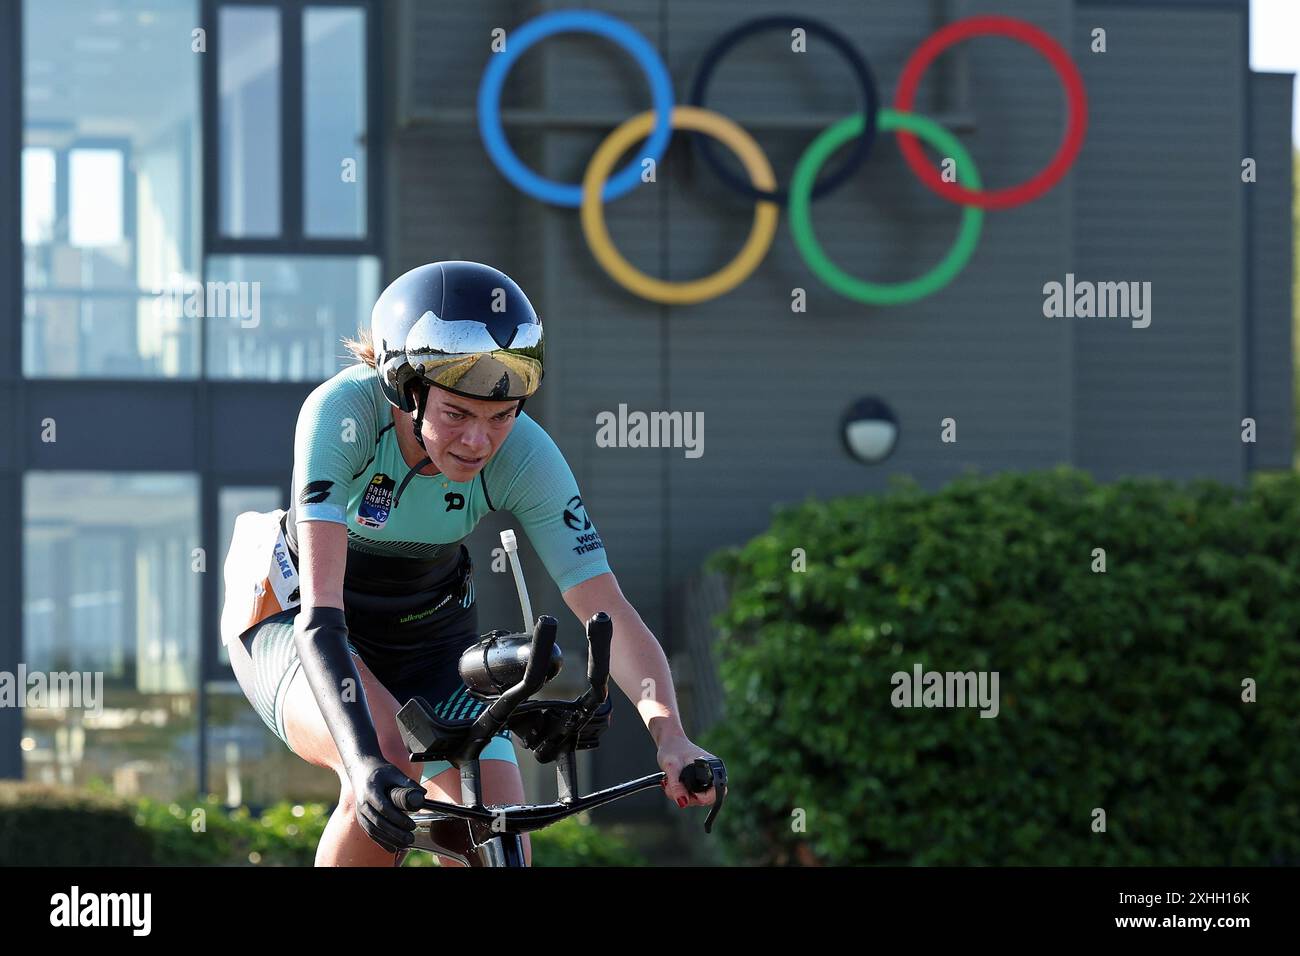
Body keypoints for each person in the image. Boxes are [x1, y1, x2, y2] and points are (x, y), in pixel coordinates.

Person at [220, 260, 718, 866]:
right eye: (456, 414)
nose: (479, 442)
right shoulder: (341, 414)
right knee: (386, 768)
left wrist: (670, 735)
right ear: (403, 389)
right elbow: (323, 621)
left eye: (501, 416)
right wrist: (365, 765)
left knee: (494, 828)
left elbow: (605, 607)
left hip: (429, 634)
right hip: (299, 614)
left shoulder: (527, 454)